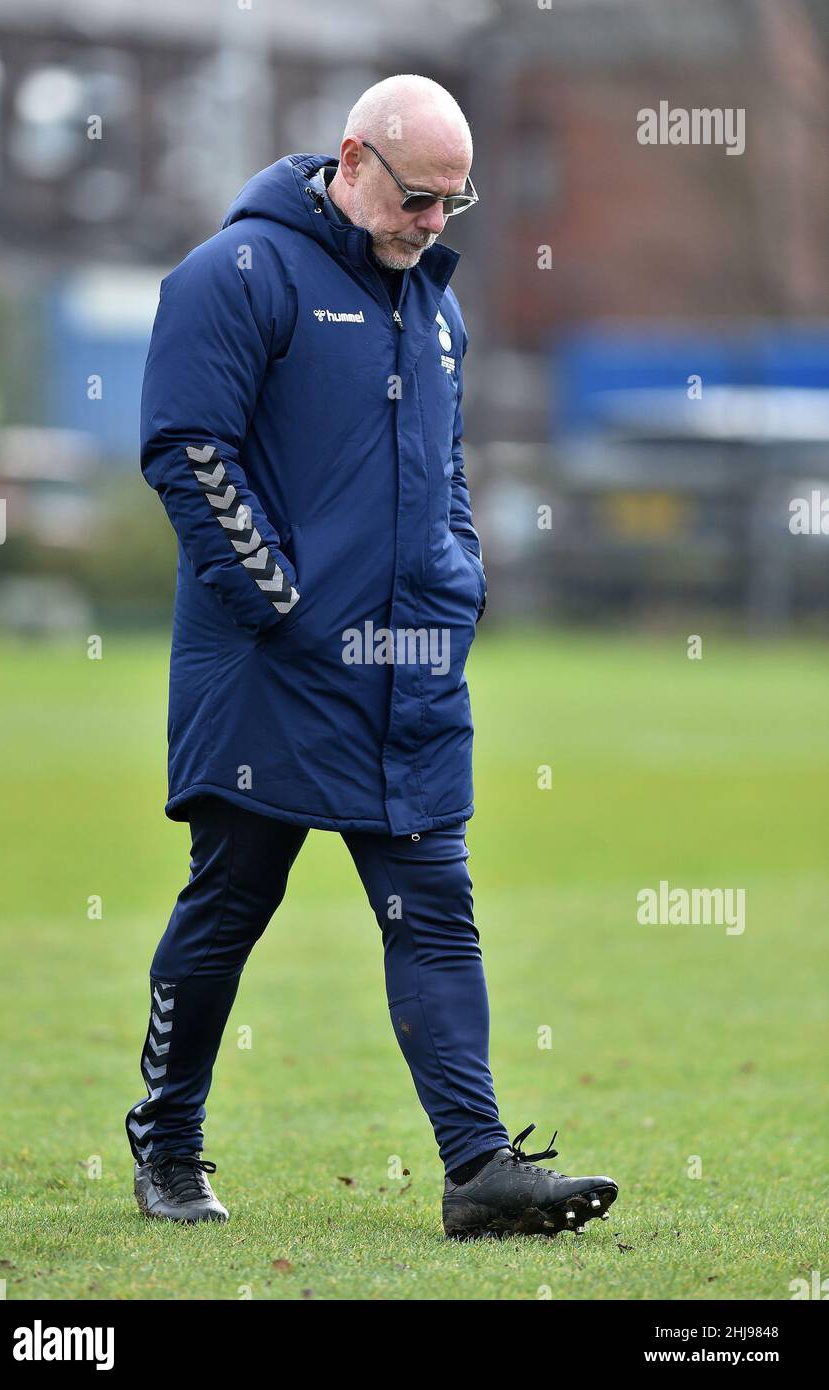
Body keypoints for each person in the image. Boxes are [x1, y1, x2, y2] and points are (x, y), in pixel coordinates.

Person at [125, 73, 618, 1238]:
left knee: (434, 908)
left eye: (454, 202)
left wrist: (459, 582)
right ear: (351, 161)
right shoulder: (232, 275)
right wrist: (280, 605)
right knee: (231, 900)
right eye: (416, 198)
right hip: (268, 672)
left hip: (408, 673)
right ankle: (168, 1142)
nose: (435, 224)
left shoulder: (433, 304)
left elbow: (441, 470)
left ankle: (477, 1167)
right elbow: (186, 449)